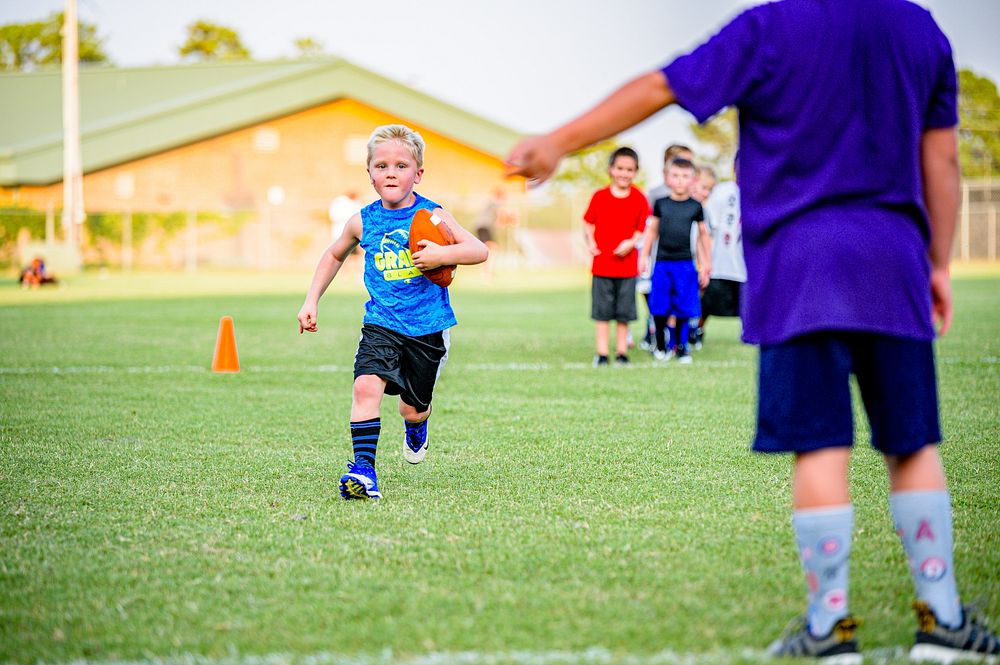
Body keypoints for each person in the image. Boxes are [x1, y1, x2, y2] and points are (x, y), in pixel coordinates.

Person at [506, 1, 999, 661]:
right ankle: (942, 622)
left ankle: (829, 630)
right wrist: (937, 262)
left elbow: (659, 86)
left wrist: (559, 142)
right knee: (912, 443)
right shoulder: (918, 28)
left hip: (799, 265)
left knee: (819, 446)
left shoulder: (769, 26)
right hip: (893, 258)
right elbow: (941, 161)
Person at [299, 124, 488, 500]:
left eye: (401, 166)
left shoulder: (432, 215)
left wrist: (443, 254)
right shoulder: (362, 221)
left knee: (411, 409)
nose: (390, 173)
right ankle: (363, 470)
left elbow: (478, 250)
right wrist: (311, 299)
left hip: (427, 328)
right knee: (365, 386)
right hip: (381, 324)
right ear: (369, 173)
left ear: (418, 174)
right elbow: (334, 255)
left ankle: (417, 425)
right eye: (381, 166)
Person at [582, 146, 648, 367]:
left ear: (635, 172)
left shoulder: (639, 198)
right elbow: (588, 223)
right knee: (602, 313)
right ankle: (602, 353)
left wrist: (631, 242)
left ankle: (621, 352)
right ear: (611, 169)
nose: (624, 173)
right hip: (602, 266)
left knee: (623, 313)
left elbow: (642, 228)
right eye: (620, 168)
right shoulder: (599, 197)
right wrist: (591, 243)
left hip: (627, 268)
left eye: (629, 170)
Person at [640, 158, 710, 364]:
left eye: (685, 176)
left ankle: (681, 346)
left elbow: (703, 236)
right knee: (659, 305)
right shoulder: (661, 203)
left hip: (685, 264)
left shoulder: (695, 206)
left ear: (693, 179)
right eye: (676, 176)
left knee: (684, 306)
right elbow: (652, 231)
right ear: (668, 178)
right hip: (662, 263)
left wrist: (706, 263)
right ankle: (661, 343)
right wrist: (643, 256)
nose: (680, 180)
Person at [638, 145, 695, 351]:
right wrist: (644, 255)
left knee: (681, 300)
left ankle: (678, 341)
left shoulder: (692, 197)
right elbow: (650, 228)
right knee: (659, 300)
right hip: (660, 258)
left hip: (684, 258)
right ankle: (654, 335)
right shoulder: (657, 196)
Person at [697, 175, 744, 348]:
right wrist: (705, 259)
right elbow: (708, 226)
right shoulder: (723, 191)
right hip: (721, 260)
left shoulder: (761, 189)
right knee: (708, 301)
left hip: (747, 263)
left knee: (748, 302)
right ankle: (697, 330)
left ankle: (748, 332)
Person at [689, 165, 720, 349]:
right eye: (703, 187)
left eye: (710, 190)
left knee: (693, 300)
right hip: (675, 260)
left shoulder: (704, 212)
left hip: (694, 262)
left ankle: (691, 332)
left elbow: (703, 240)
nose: (706, 193)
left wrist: (705, 264)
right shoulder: (676, 205)